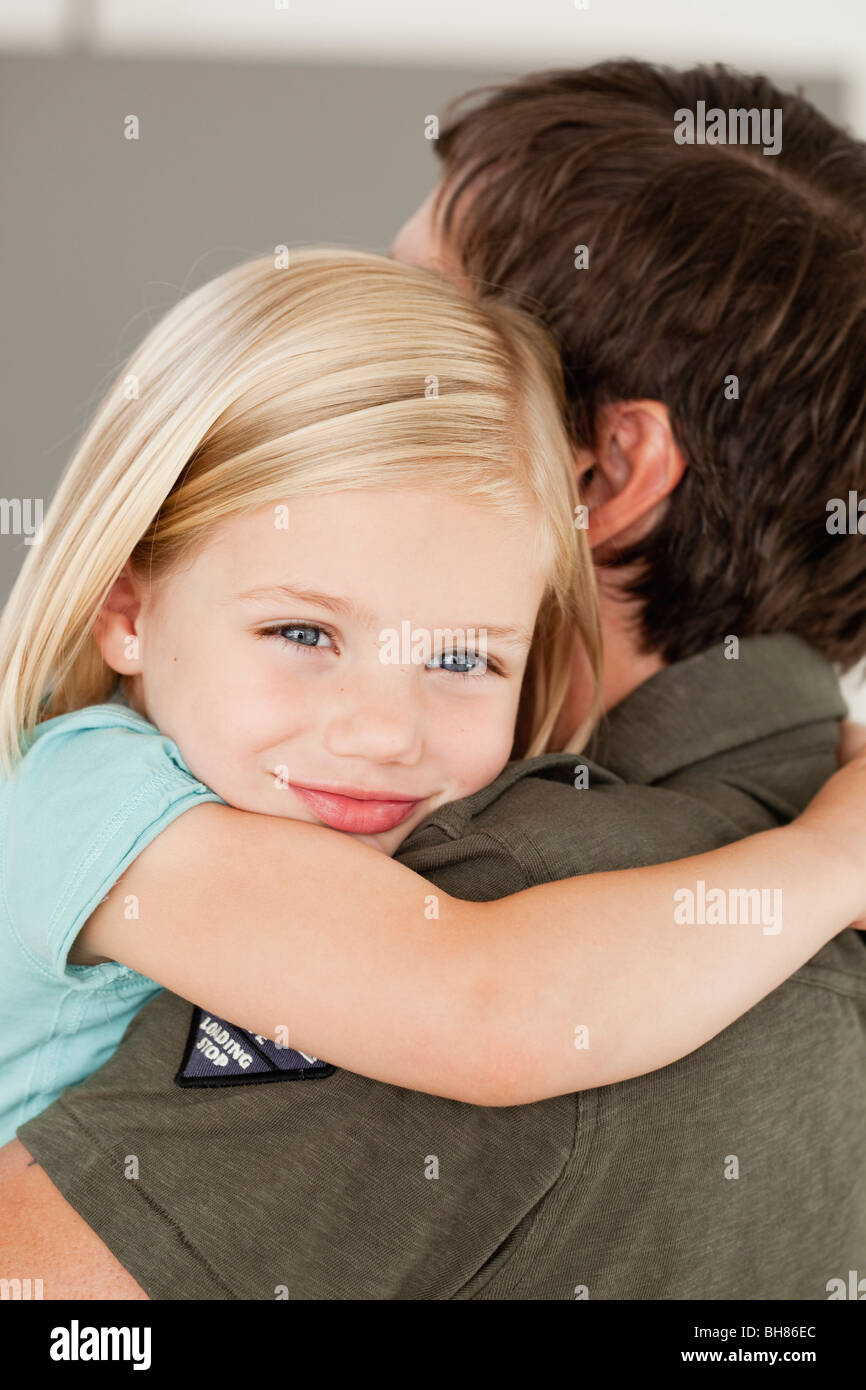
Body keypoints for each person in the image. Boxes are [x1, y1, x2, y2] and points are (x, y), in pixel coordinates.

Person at [2, 60, 865, 1300]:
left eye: (413, 305)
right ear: (129, 606)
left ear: (598, 473)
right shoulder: (768, 827)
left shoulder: (500, 880)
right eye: (303, 632)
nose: (378, 726)